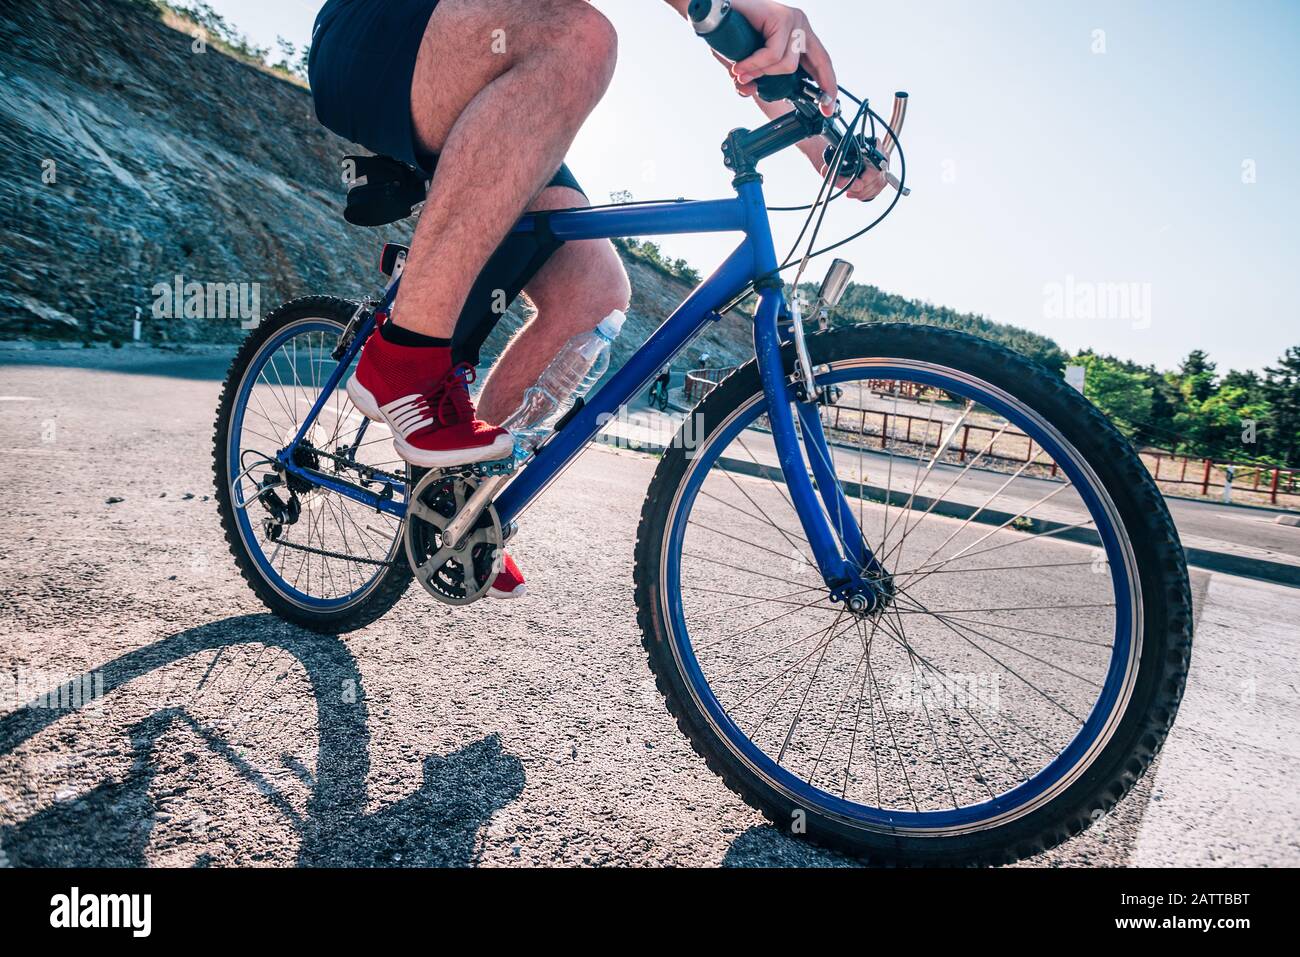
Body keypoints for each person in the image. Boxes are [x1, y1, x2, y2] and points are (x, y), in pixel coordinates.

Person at [308, 0, 887, 598]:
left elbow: (741, 48)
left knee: (595, 294)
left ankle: (460, 504)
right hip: (379, 31)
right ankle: (403, 356)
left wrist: (822, 142)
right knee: (580, 39)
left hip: (481, 52)